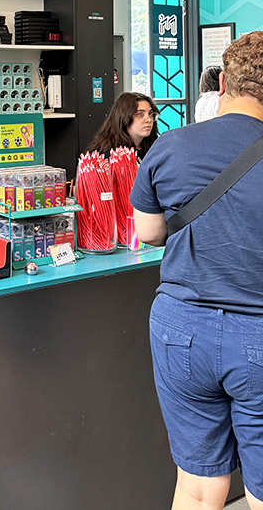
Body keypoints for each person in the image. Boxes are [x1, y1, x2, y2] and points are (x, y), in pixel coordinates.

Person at [131, 31, 263, 510]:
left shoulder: (172, 146)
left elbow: (147, 232)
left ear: (223, 81)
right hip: (259, 333)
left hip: (180, 328)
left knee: (197, 485)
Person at [87, 90, 160, 160]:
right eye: (140, 115)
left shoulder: (155, 148)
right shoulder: (108, 155)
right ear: (124, 118)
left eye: (150, 114)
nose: (149, 120)